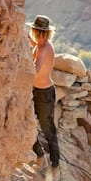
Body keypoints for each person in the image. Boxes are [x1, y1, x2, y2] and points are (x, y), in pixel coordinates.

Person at [27, 15, 60, 169]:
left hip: (45, 94)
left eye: (41, 32)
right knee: (26, 122)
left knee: (47, 128)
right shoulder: (39, 46)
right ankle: (40, 156)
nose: (39, 35)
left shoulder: (45, 49)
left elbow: (36, 69)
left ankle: (54, 163)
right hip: (37, 91)